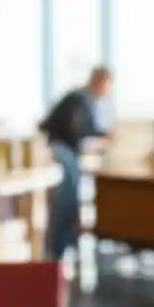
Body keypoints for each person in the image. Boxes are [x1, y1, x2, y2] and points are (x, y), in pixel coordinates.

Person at [40, 66, 111, 260]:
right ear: (101, 82)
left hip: (63, 148)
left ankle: (64, 246)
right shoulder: (82, 99)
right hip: (60, 148)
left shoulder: (82, 99)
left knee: (71, 193)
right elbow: (78, 129)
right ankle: (57, 249)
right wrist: (103, 135)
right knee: (67, 195)